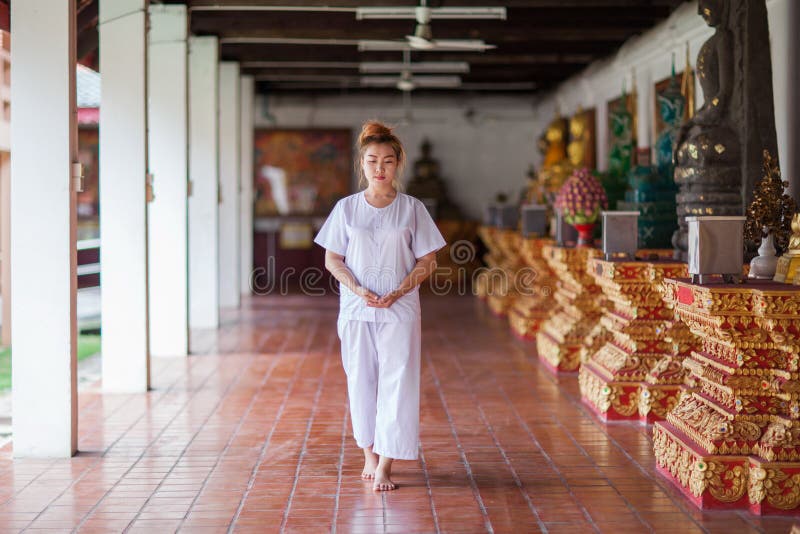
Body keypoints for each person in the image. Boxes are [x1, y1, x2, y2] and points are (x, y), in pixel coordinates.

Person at [313, 121, 446, 491]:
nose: (380, 168)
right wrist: (357, 288)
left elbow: (428, 261)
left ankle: (387, 462)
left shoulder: (412, 209)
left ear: (398, 163)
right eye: (372, 160)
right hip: (357, 310)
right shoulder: (346, 209)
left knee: (398, 380)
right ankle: (368, 453)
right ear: (363, 164)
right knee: (361, 378)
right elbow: (333, 260)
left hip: (399, 310)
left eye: (387, 160)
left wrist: (401, 289)